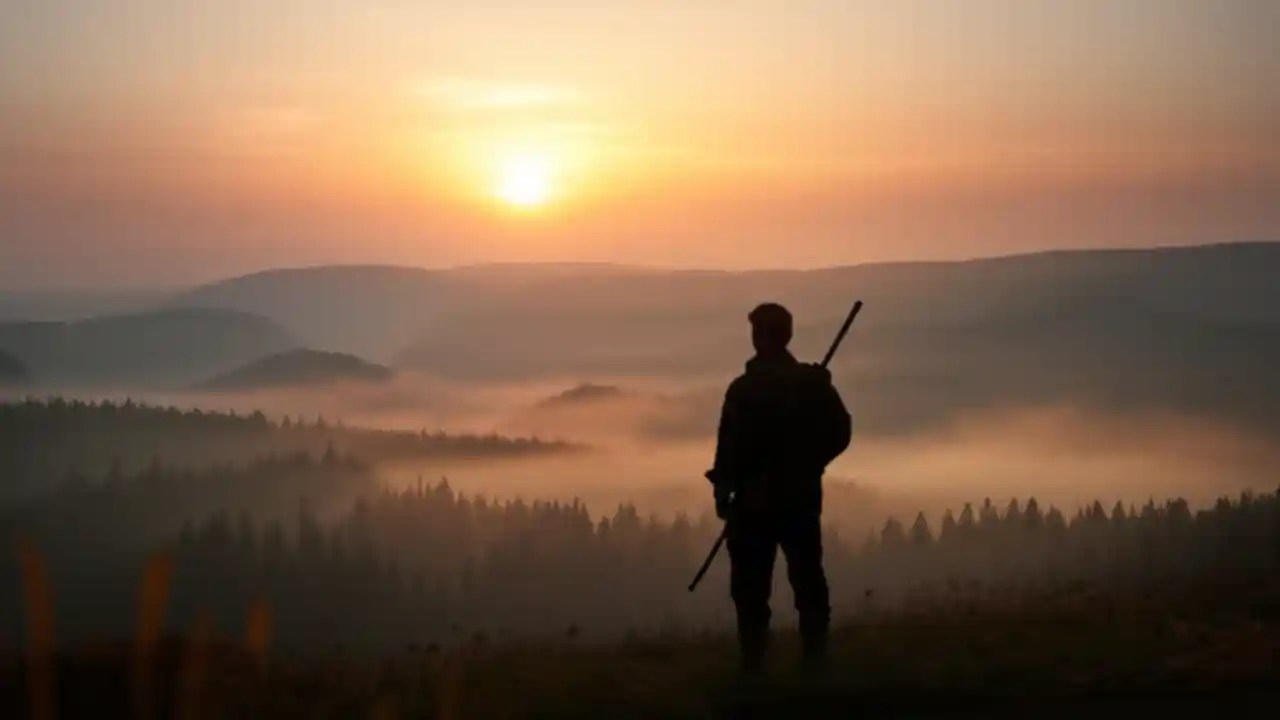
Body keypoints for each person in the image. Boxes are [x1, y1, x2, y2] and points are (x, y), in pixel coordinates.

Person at [707, 302, 851, 670]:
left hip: (786, 503)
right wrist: (726, 494)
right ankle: (765, 664)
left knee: (802, 584)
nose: (761, 339)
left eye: (766, 331)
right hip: (765, 505)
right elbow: (727, 451)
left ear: (781, 335)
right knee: (757, 591)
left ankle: (806, 662)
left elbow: (838, 433)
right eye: (758, 331)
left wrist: (806, 465)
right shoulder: (751, 389)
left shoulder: (807, 385)